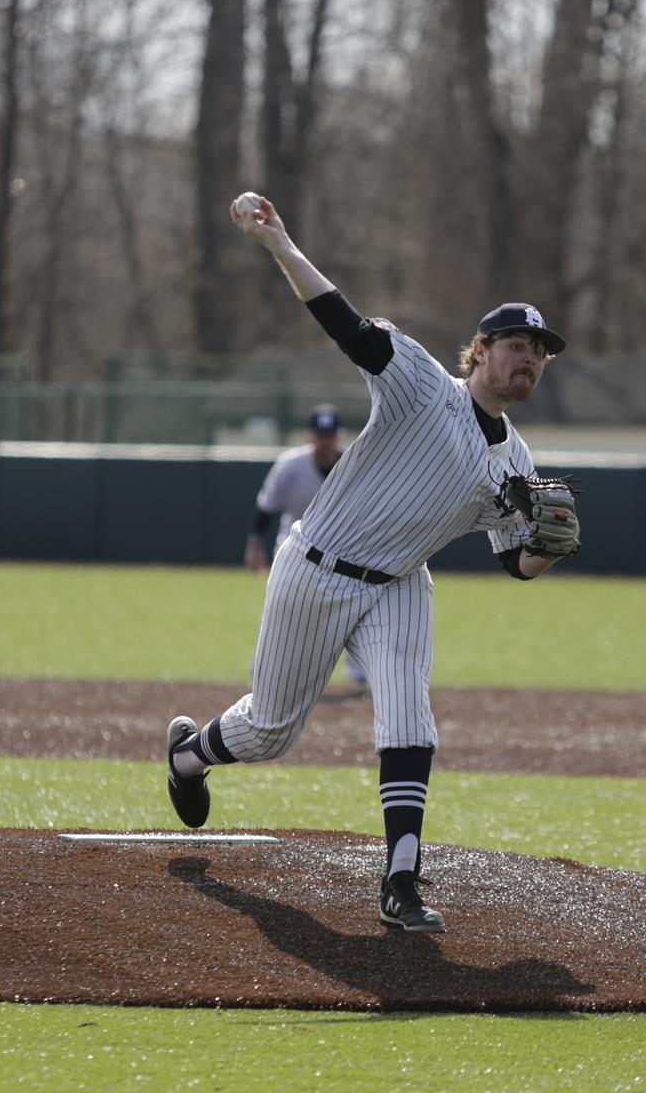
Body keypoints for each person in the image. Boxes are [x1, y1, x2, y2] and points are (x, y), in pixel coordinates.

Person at [164, 191, 582, 933]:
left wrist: (547, 550)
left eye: (540, 352)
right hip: (316, 566)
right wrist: (280, 243)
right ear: (481, 349)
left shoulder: (519, 462)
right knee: (270, 730)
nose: (530, 359)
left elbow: (515, 563)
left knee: (411, 719)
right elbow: (347, 326)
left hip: (399, 585)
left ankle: (400, 879)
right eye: (517, 343)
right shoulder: (421, 383)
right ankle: (189, 758)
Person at [244, 405, 366, 691]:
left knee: (355, 606)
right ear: (310, 436)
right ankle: (263, 665)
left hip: (340, 550)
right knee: (280, 605)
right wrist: (255, 544)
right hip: (293, 548)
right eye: (320, 435)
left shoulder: (352, 465)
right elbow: (266, 507)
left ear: (339, 436)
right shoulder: (290, 466)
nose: (325, 441)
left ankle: (358, 671)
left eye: (330, 435)